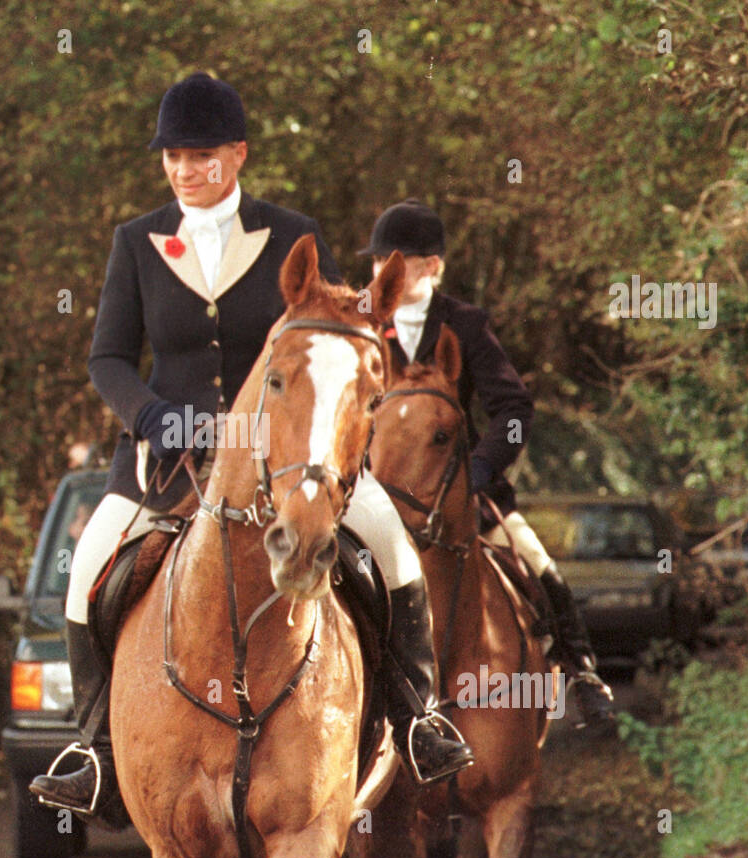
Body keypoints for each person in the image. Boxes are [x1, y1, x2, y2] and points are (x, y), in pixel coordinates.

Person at [30, 74, 474, 818]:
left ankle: (417, 719)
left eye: (200, 156)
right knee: (84, 583)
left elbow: (330, 335)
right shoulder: (135, 242)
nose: (183, 170)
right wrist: (152, 416)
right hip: (162, 465)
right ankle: (92, 753)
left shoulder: (290, 232)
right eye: (173, 156)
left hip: (289, 456)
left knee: (392, 550)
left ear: (237, 155)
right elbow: (107, 359)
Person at [361, 198, 614, 726]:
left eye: (396, 260)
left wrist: (479, 470)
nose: (381, 272)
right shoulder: (360, 322)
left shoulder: (467, 324)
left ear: (432, 266)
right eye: (377, 260)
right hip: (374, 490)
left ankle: (583, 671)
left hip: (459, 487)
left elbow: (513, 408)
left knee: (538, 562)